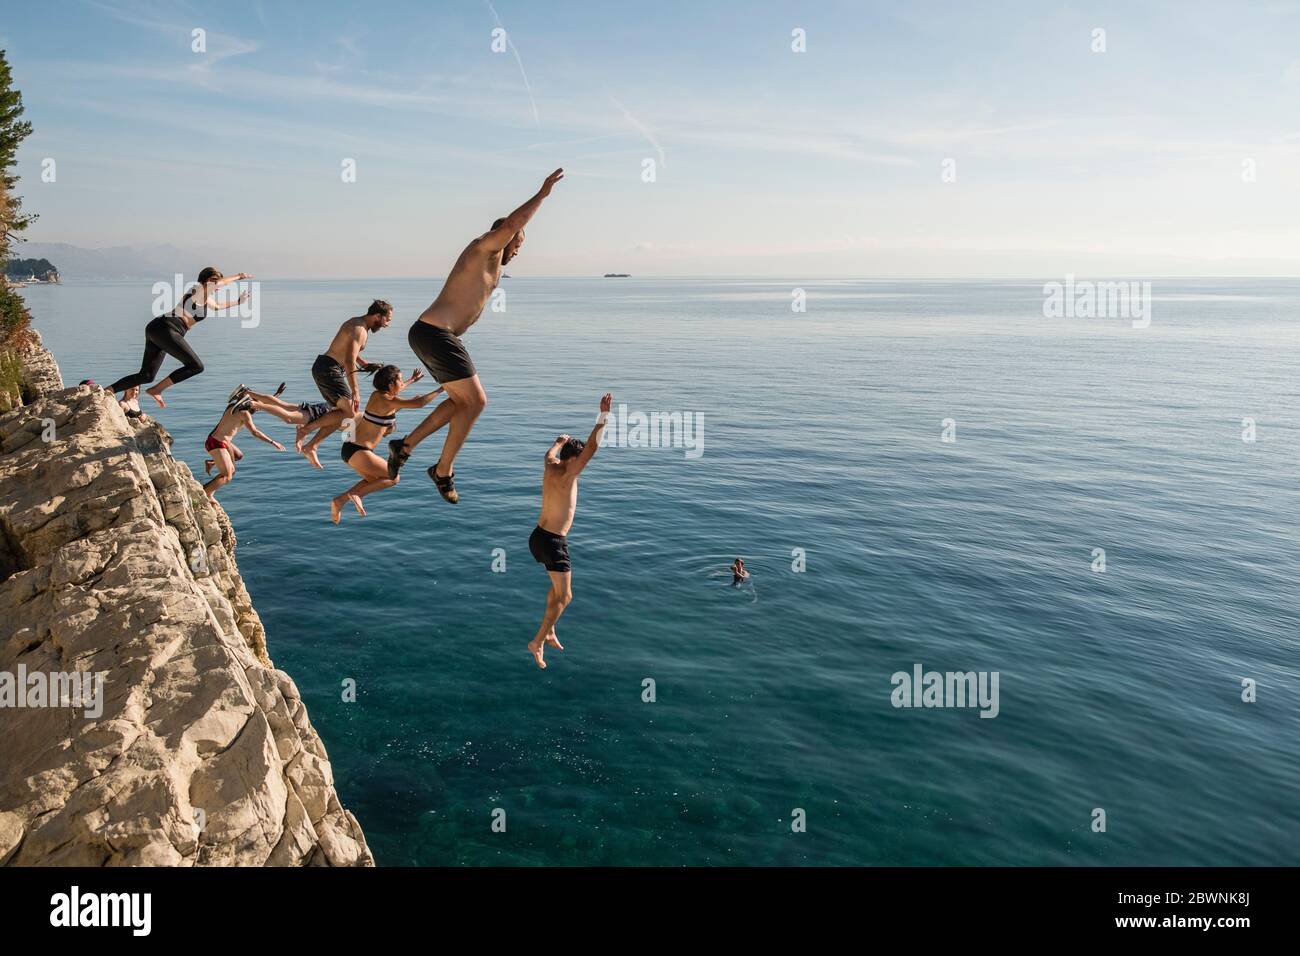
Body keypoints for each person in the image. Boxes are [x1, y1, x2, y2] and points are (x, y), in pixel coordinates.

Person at [387, 168, 566, 503]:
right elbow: (511, 225)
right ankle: (443, 470)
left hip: (435, 336)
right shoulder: (485, 248)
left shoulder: (492, 267)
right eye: (518, 244)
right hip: (434, 334)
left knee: (461, 402)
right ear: (505, 237)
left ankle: (405, 445)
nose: (518, 251)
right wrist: (542, 195)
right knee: (477, 401)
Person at [526, 392, 613, 670]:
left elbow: (548, 454)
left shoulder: (551, 465)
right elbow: (591, 448)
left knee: (556, 592)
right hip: (553, 542)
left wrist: (557, 442)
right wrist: (603, 417)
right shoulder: (569, 473)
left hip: (537, 538)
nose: (583, 465)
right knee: (566, 596)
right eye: (580, 461)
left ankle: (550, 630)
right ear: (573, 459)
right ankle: (538, 641)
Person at [109, 267, 252, 408]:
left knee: (147, 375)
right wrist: (239, 276)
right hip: (168, 328)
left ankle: (108, 391)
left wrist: (239, 302)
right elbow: (219, 284)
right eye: (216, 281)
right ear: (208, 280)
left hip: (159, 329)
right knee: (196, 366)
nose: (218, 286)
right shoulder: (197, 290)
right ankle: (156, 390)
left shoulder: (204, 298)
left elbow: (218, 306)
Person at [330, 365, 444, 523]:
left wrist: (412, 380)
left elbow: (398, 391)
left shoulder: (378, 396)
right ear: (391, 384)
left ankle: (340, 501)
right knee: (393, 477)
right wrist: (442, 389)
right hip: (359, 451)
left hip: (351, 449)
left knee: (373, 481)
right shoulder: (387, 400)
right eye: (400, 379)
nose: (402, 383)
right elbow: (420, 403)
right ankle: (356, 495)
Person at [298, 300, 392, 468]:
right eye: (387, 320)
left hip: (327, 368)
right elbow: (349, 361)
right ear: (378, 316)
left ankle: (311, 445)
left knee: (345, 413)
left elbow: (351, 353)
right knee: (350, 411)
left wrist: (364, 364)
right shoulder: (359, 329)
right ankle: (306, 431)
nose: (387, 324)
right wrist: (355, 390)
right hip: (329, 369)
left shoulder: (360, 325)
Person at [201, 395, 285, 502]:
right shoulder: (245, 414)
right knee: (228, 475)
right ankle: (206, 493)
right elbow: (255, 432)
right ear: (250, 403)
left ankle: (212, 464)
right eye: (256, 405)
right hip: (217, 443)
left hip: (217, 440)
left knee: (238, 455)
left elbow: (259, 404)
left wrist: (276, 396)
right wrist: (273, 442)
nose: (259, 408)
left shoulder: (232, 407)